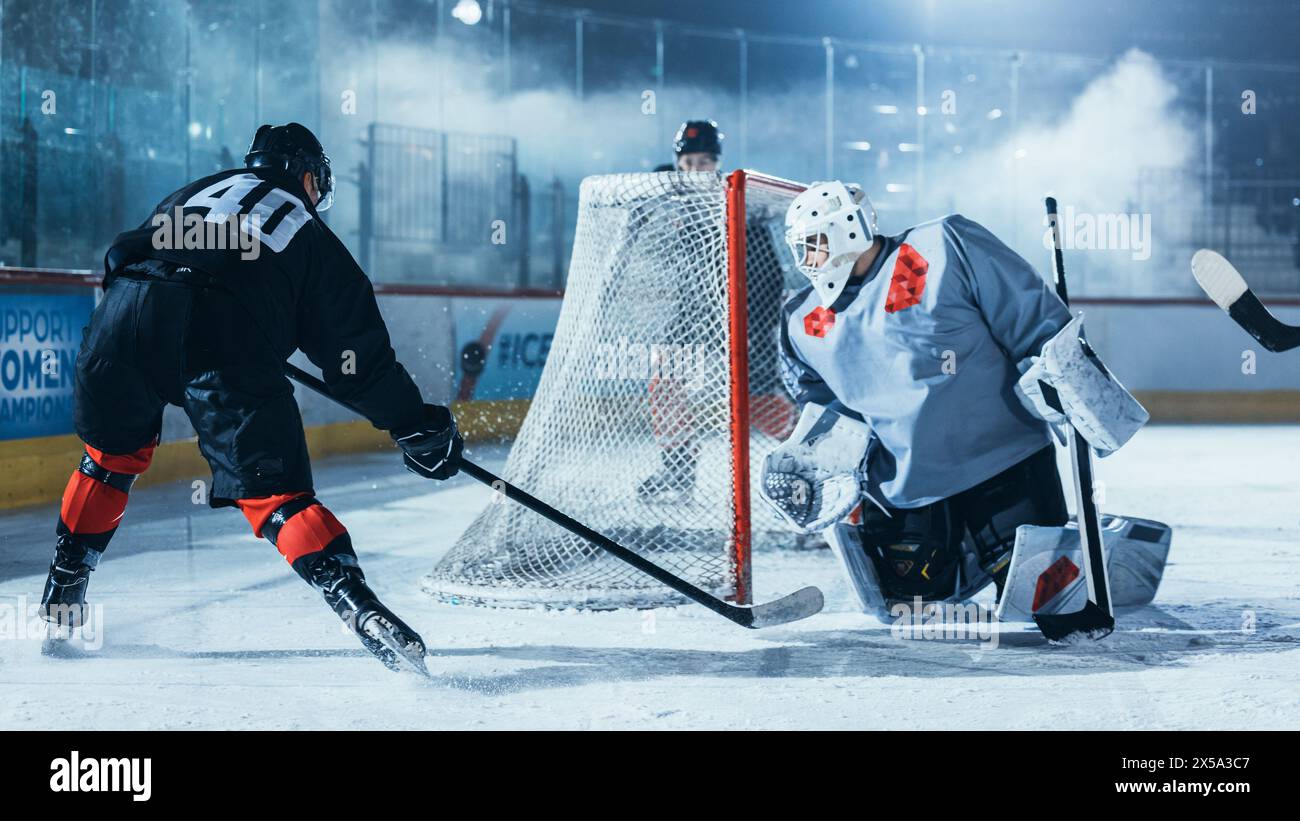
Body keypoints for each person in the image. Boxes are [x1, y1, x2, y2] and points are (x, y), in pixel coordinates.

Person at [39, 123, 461, 673]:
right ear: (308, 177)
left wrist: (177, 318)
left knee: (109, 460)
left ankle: (63, 588)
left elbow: (125, 259)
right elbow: (356, 361)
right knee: (275, 495)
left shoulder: (193, 191)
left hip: (121, 316)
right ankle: (357, 604)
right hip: (221, 338)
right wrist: (415, 425)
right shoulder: (308, 232)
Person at [759, 181, 1145, 609]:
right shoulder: (801, 319)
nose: (807, 261)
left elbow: (1029, 316)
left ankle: (1086, 552)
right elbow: (822, 406)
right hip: (902, 486)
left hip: (1003, 463)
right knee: (911, 608)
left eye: (813, 244)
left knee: (1045, 605)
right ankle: (977, 557)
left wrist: (1064, 374)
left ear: (847, 229)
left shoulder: (943, 245)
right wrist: (816, 458)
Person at [653, 119, 723, 173]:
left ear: (716, 164)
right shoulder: (662, 181)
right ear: (678, 163)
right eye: (688, 162)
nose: (695, 170)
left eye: (704, 162)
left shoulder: (727, 187)